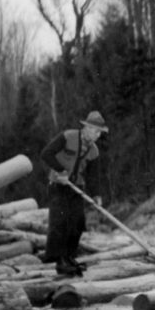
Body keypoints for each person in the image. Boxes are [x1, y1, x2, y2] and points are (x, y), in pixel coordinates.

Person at [39, 111, 108, 277]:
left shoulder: (94, 151)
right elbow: (46, 154)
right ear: (87, 128)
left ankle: (69, 257)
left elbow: (93, 176)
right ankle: (59, 261)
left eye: (100, 133)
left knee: (77, 223)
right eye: (96, 131)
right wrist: (61, 170)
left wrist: (96, 195)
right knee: (60, 222)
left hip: (76, 188)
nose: (98, 135)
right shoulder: (67, 136)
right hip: (58, 185)